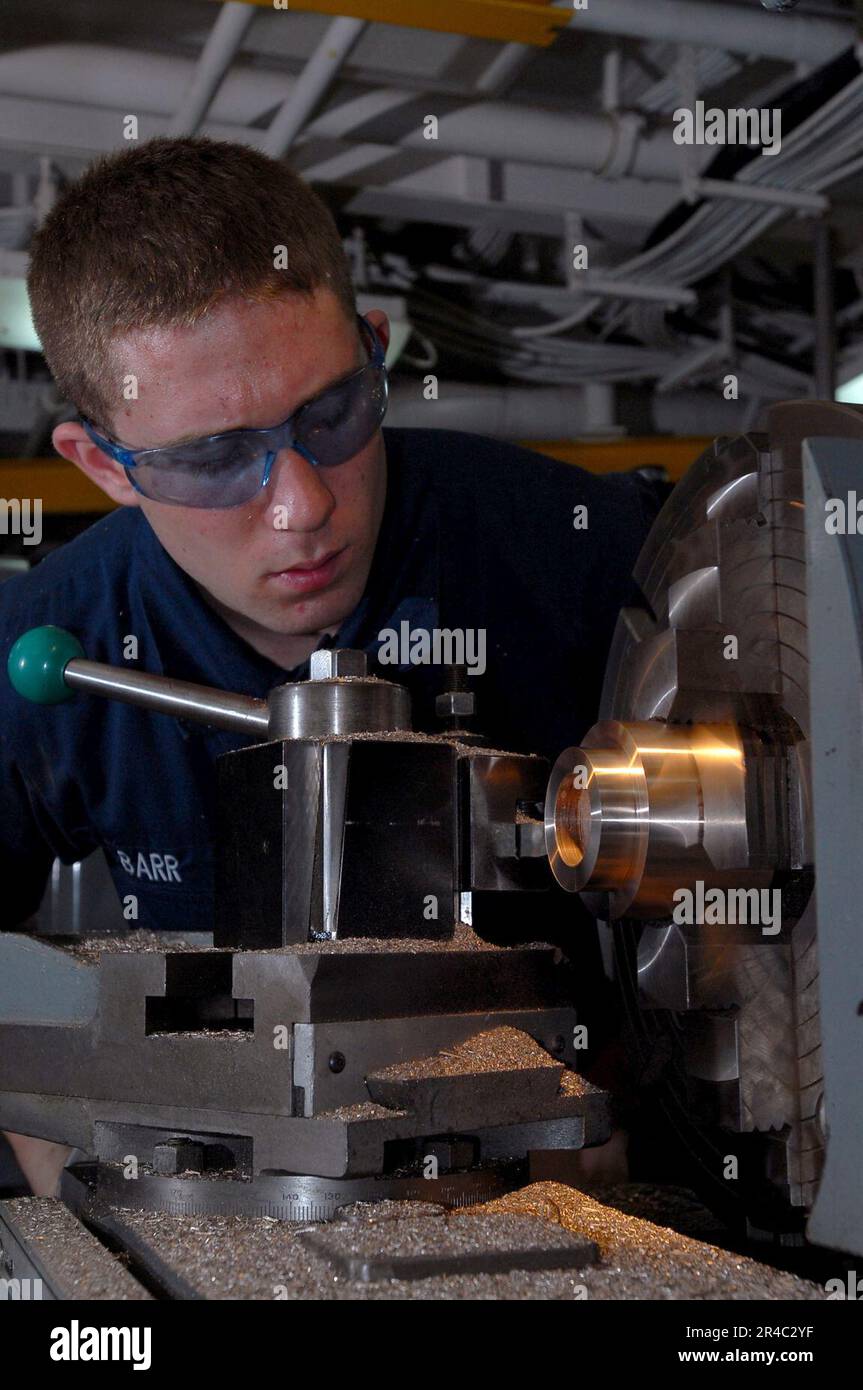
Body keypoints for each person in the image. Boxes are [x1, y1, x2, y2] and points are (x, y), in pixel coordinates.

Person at [1, 136, 662, 1195]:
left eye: (332, 412)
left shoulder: (584, 552)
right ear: (100, 463)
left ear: (374, 345)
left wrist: (640, 1110)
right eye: (214, 458)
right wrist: (54, 1139)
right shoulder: (47, 643)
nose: (301, 502)